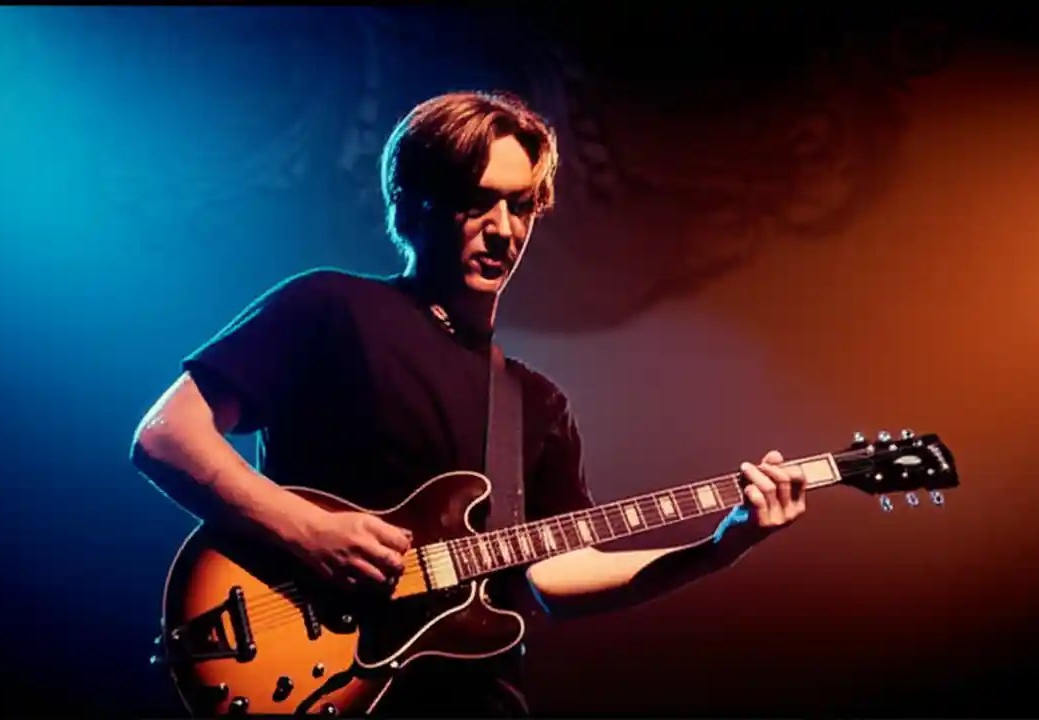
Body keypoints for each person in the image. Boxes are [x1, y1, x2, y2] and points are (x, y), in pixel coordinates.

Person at [130, 90, 807, 716]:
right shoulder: (331, 307)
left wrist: (719, 549)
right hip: (315, 677)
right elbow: (167, 436)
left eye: (521, 206)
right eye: (477, 202)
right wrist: (308, 531)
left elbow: (557, 573)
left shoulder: (536, 403)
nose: (503, 229)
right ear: (414, 204)